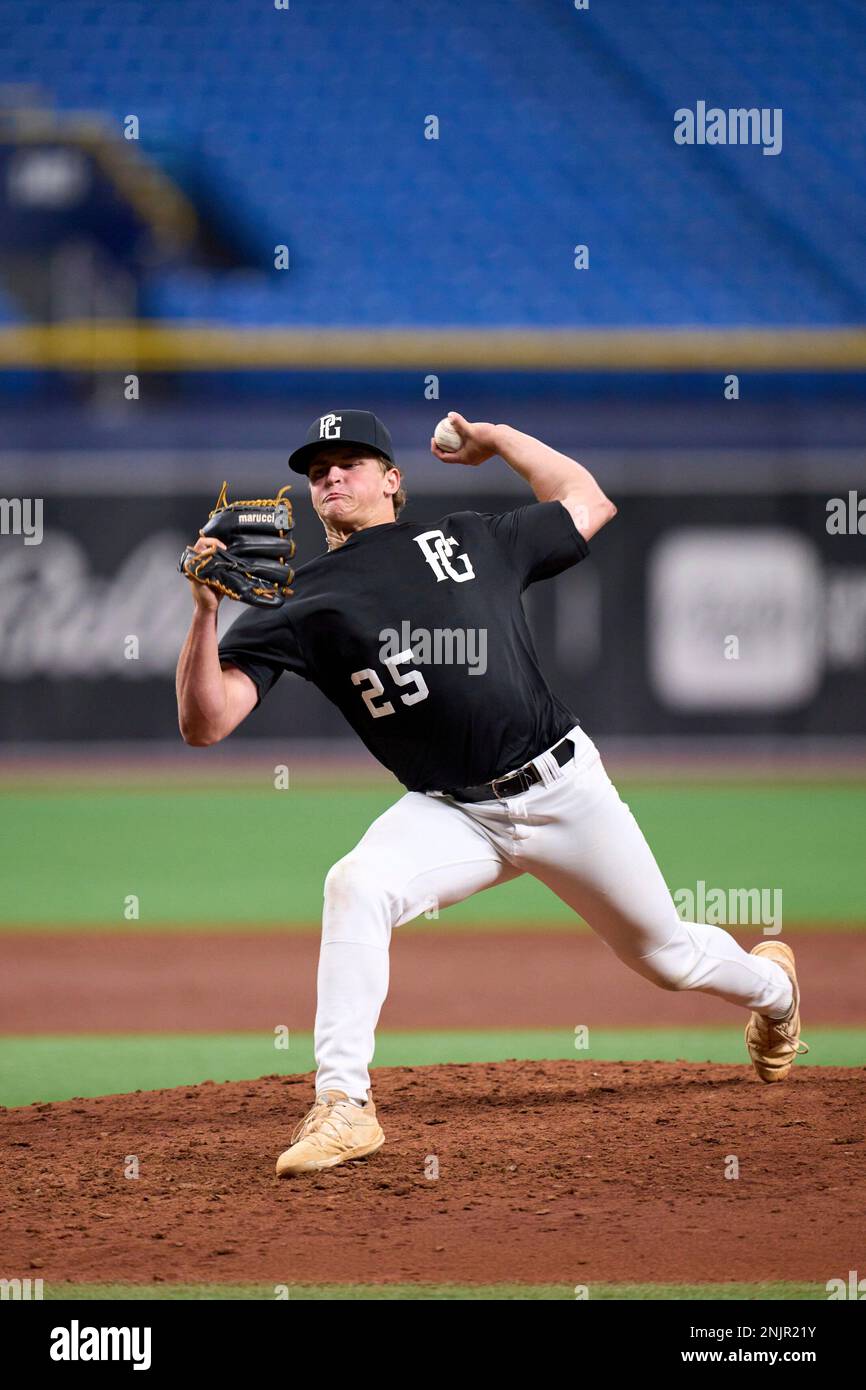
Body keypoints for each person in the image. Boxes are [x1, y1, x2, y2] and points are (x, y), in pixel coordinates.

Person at [175, 409, 807, 1177]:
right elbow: (207, 723)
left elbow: (588, 502)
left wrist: (498, 438)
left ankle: (774, 994)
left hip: (563, 786)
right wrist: (206, 615)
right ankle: (344, 1105)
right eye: (317, 471)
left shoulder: (471, 539)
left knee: (665, 955)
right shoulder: (298, 599)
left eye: (350, 461)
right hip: (453, 812)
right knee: (355, 884)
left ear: (392, 479)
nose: (331, 476)